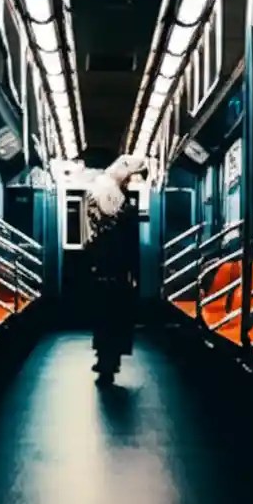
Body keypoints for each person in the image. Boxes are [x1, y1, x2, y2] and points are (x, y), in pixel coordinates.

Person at [83, 154, 148, 382]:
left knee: (105, 316)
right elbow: (119, 228)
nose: (133, 181)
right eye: (132, 176)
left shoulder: (99, 189)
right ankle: (109, 360)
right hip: (115, 267)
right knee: (114, 316)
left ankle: (106, 359)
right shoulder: (110, 194)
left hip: (101, 266)